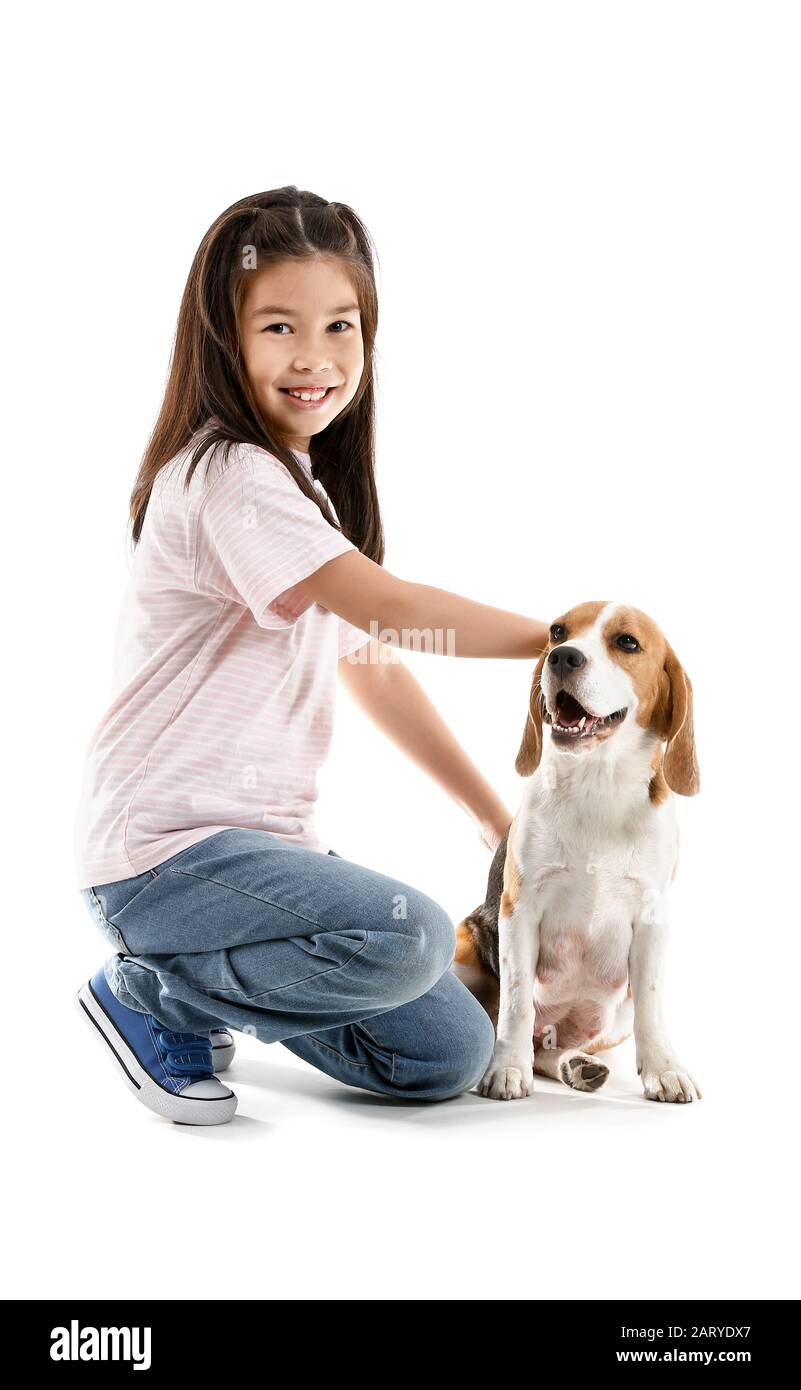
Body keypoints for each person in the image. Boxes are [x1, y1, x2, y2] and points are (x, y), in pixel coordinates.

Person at [74, 186, 549, 1126]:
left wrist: (500, 828)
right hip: (163, 859)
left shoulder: (299, 493)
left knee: (444, 1055)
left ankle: (203, 986)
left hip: (257, 861)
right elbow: (394, 609)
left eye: (341, 326)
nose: (316, 357)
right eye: (280, 326)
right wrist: (562, 641)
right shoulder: (228, 475)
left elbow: (372, 660)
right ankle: (151, 995)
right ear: (224, 339)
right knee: (406, 933)